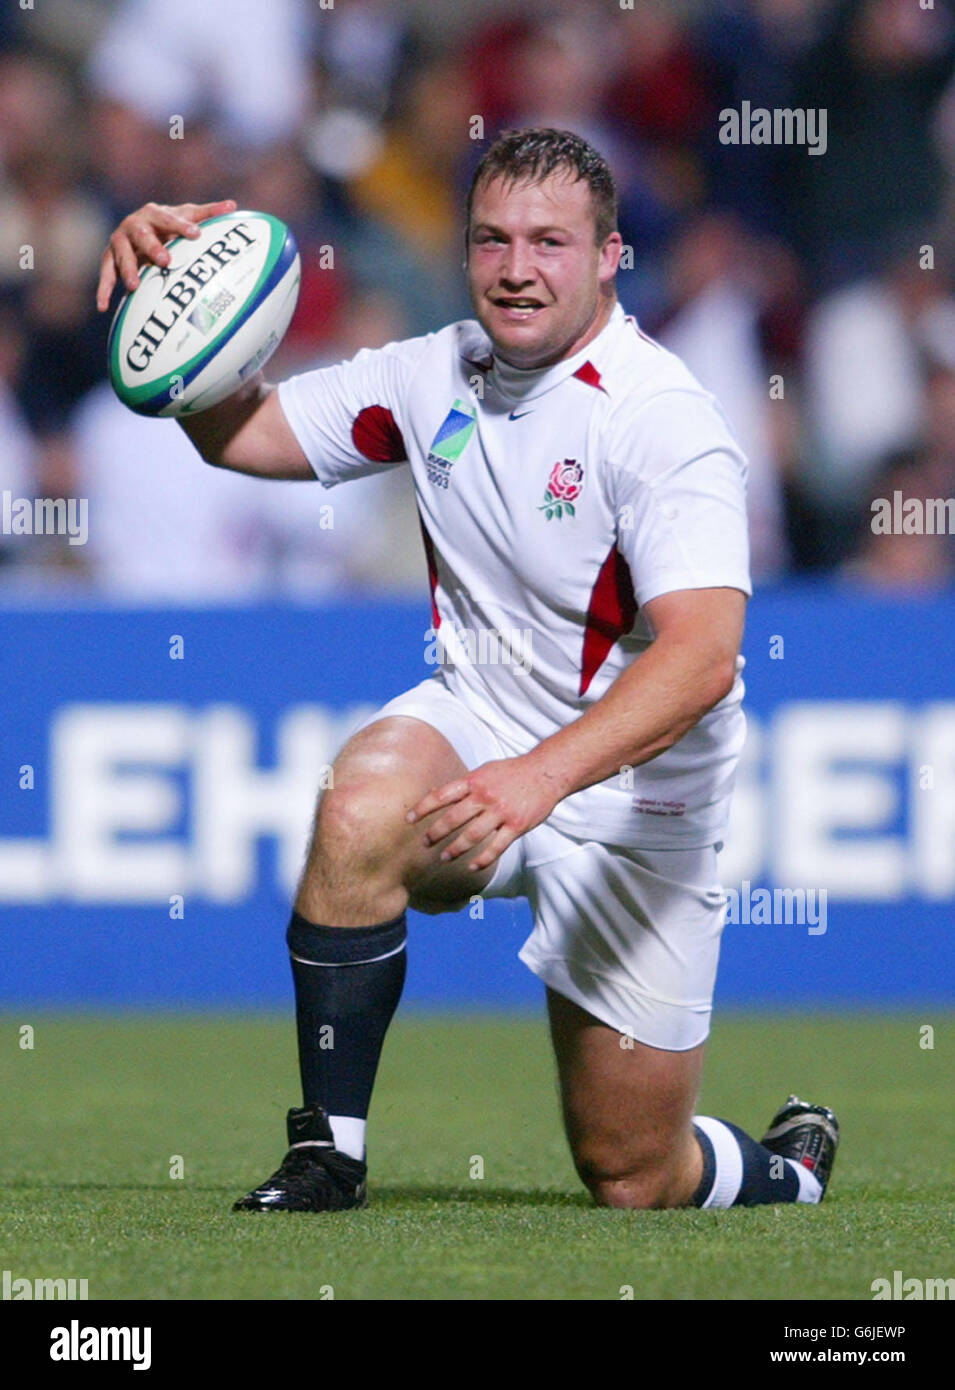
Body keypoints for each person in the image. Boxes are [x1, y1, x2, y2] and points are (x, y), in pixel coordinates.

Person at [96, 129, 838, 1213]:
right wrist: (166, 310)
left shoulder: (661, 419)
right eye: (491, 238)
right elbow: (239, 435)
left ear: (608, 256)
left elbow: (701, 654)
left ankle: (789, 1166)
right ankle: (328, 1155)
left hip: (641, 795)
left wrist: (538, 781)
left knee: (632, 1173)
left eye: (549, 241)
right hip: (479, 722)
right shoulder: (429, 372)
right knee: (357, 804)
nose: (516, 266)